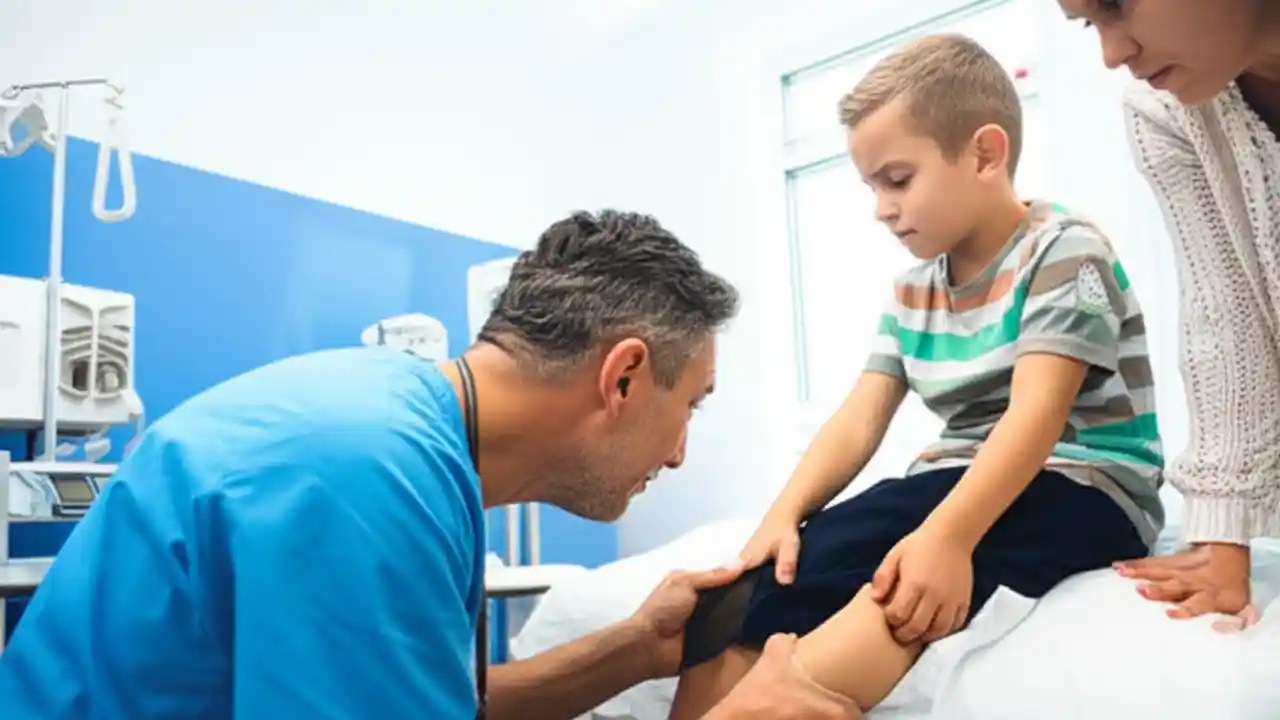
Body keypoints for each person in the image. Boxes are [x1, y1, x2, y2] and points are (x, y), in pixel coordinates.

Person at [0, 210, 857, 720]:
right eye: (691, 407)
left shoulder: (400, 434)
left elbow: (442, 704)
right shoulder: (366, 478)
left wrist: (633, 651)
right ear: (624, 376)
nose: (678, 454)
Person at [667, 34, 1165, 719]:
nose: (880, 207)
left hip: (1082, 480)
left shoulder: (1065, 249)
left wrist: (947, 538)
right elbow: (859, 420)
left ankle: (789, 698)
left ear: (986, 155)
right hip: (954, 475)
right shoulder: (911, 292)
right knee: (748, 593)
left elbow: (1036, 418)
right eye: (871, 186)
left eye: (897, 180)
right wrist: (785, 514)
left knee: (909, 585)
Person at [1057, 0, 1280, 631]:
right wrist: (1222, 532)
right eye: (1088, 24)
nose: (1111, 53)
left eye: (1115, 6)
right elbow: (1223, 318)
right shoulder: (1165, 112)